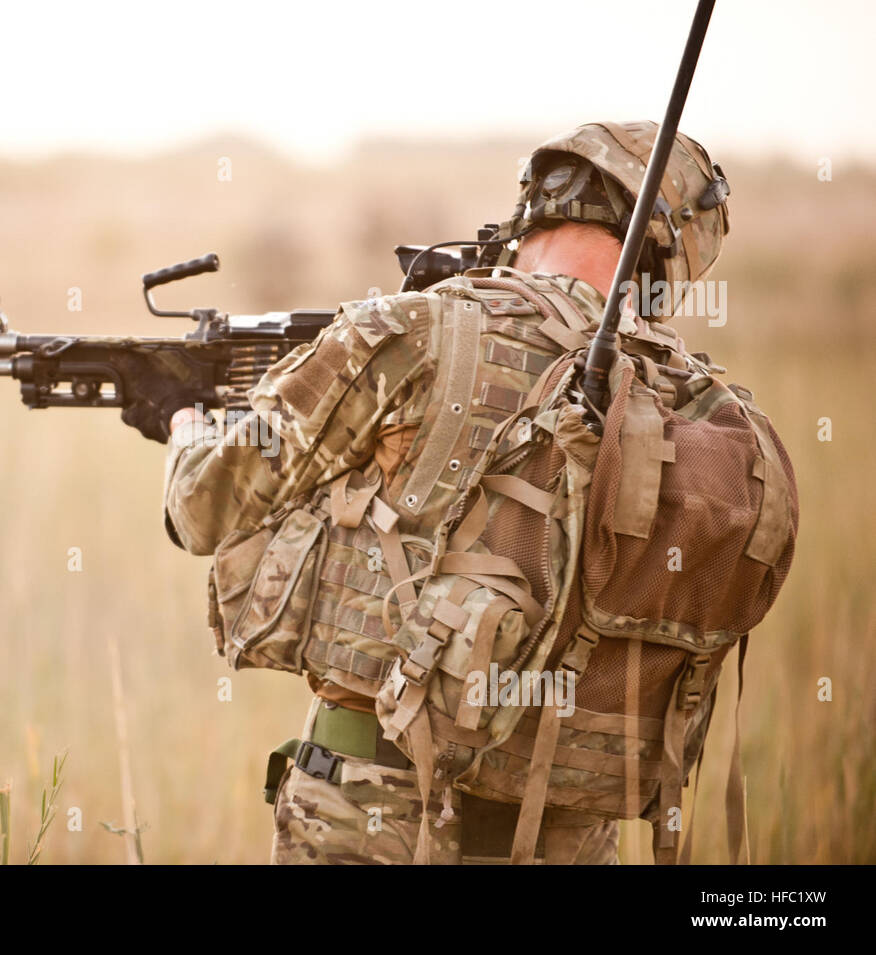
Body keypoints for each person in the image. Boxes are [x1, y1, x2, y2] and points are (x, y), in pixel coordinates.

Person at [157, 121, 733, 864]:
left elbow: (204, 506)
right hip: (567, 834)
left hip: (376, 812)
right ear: (673, 261)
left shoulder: (418, 329)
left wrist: (185, 428)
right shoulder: (687, 397)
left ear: (537, 206)